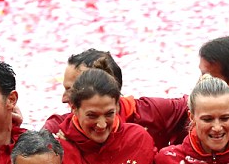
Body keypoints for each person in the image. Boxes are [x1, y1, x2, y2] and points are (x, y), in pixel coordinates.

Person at [44, 49, 188, 150]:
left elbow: (197, 109)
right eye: (92, 115)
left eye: (72, 90)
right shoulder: (58, 129)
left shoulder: (151, 112)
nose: (64, 99)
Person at [57, 68, 156, 164]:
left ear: (118, 105)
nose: (102, 125)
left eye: (109, 114)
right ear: (74, 108)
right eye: (92, 116)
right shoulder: (59, 153)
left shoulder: (138, 140)